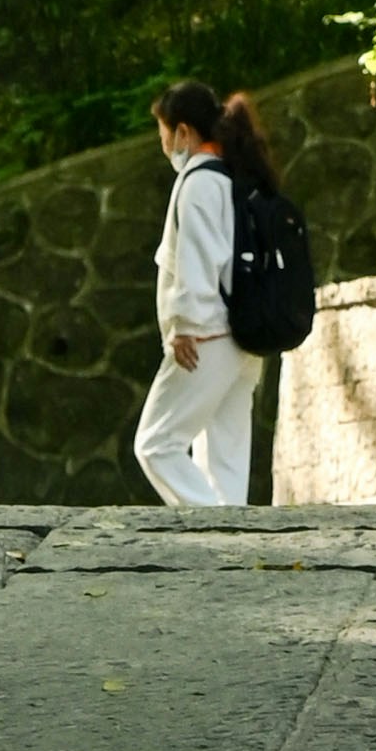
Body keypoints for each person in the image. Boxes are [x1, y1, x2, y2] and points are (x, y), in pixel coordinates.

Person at [136, 78, 277, 509]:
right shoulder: (236, 177)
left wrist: (184, 326)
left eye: (164, 134)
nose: (163, 145)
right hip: (246, 337)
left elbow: (197, 260)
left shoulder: (197, 183)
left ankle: (209, 520)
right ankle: (231, 535)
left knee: (156, 443)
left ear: (183, 131)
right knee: (225, 453)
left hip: (207, 335)